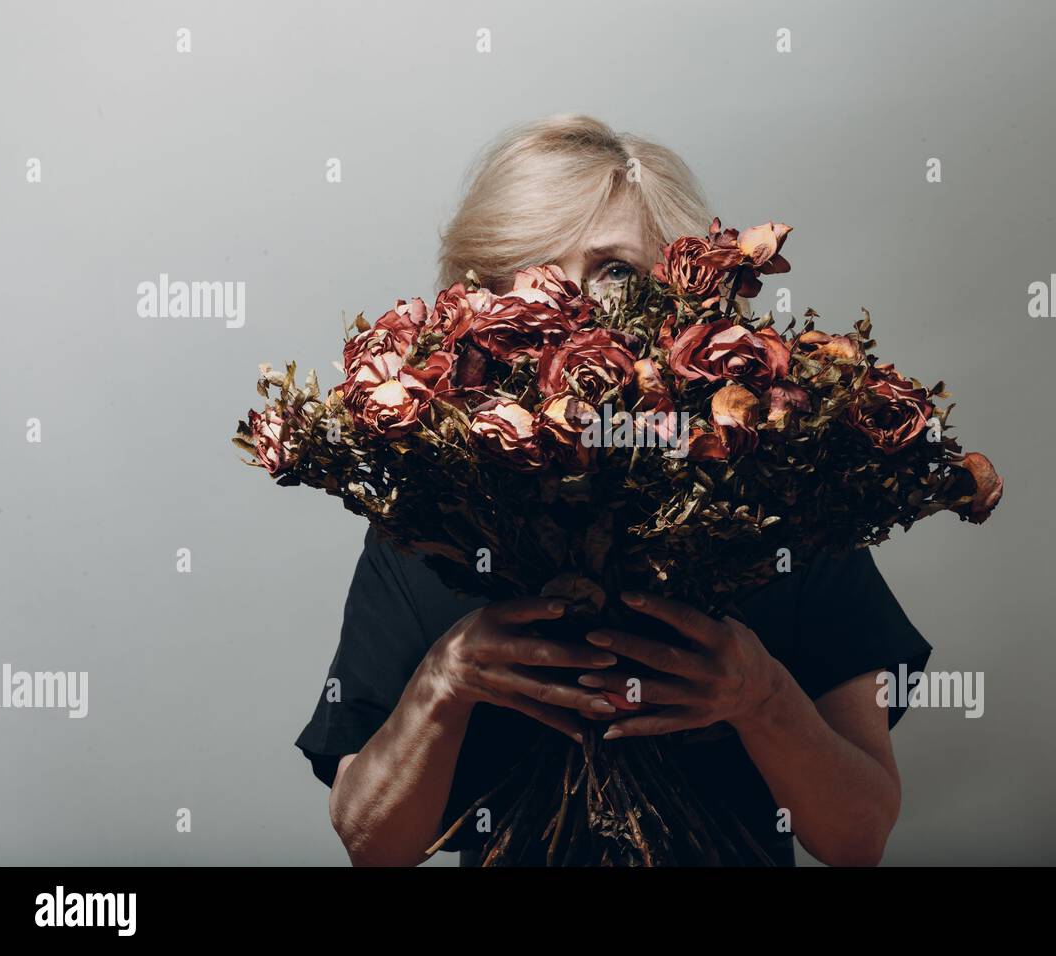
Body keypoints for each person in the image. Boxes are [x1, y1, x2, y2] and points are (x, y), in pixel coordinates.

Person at [295, 115, 932, 867]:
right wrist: (444, 684)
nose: (570, 303)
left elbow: (857, 839)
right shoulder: (431, 519)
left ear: (684, 286)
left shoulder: (779, 496)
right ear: (476, 300)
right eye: (534, 269)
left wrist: (764, 700)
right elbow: (371, 844)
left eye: (617, 270)